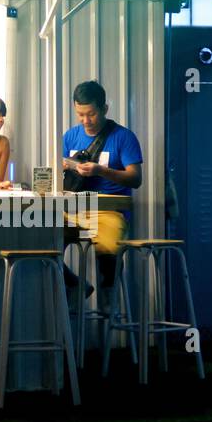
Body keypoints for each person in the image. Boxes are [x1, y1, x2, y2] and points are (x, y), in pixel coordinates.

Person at [60, 80, 142, 296]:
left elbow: (135, 179)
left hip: (109, 212)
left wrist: (101, 171)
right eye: (80, 114)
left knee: (108, 249)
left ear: (104, 109)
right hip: (73, 211)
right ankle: (75, 285)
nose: (85, 120)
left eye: (91, 114)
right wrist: (62, 170)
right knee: (42, 241)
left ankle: (109, 305)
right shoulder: (70, 136)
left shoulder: (123, 137)